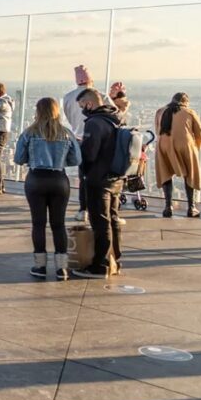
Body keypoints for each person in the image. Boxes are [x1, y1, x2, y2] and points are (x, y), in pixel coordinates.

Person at [14, 98, 81, 280]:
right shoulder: (66, 133)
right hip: (59, 180)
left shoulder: (29, 133)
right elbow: (76, 160)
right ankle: (61, 269)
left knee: (38, 224)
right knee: (58, 225)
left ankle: (40, 266)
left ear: (38, 112)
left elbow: (19, 159)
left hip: (36, 179)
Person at [71, 89, 124, 279]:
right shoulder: (116, 118)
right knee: (113, 219)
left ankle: (99, 265)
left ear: (89, 104)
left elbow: (89, 155)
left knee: (100, 222)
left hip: (98, 180)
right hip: (116, 178)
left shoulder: (94, 123)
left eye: (82, 107)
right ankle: (115, 260)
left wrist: (79, 147)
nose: (82, 111)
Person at [155, 92, 201, 218]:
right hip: (184, 145)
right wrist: (195, 148)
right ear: (185, 102)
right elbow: (199, 134)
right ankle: (191, 208)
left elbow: (157, 130)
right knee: (190, 173)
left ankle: (168, 207)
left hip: (163, 145)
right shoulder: (189, 112)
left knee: (166, 173)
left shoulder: (160, 111)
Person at [62, 65, 96, 222]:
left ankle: (84, 209)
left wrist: (77, 128)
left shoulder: (68, 97)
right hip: (100, 141)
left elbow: (69, 117)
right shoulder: (99, 95)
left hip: (80, 140)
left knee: (84, 176)